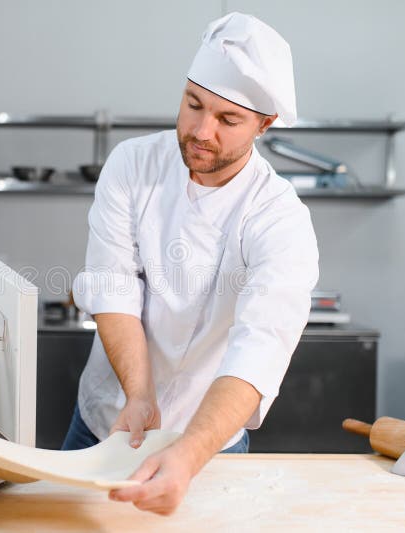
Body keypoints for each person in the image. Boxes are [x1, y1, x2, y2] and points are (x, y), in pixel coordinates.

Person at [64, 12, 319, 515]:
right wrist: (139, 396)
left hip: (207, 444)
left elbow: (261, 346)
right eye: (193, 104)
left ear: (263, 125)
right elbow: (112, 286)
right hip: (104, 419)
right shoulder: (133, 164)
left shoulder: (279, 217)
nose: (201, 131)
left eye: (227, 120)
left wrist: (187, 453)